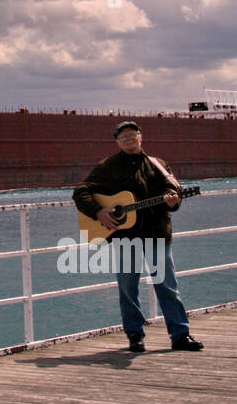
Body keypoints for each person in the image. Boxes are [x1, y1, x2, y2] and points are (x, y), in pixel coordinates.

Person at [71, 121, 204, 353]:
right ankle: (135, 336)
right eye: (124, 136)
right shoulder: (107, 167)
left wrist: (173, 200)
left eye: (133, 134)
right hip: (125, 236)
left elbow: (174, 192)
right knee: (127, 287)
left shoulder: (158, 165)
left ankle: (180, 335)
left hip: (157, 233)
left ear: (141, 137)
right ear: (117, 142)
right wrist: (99, 211)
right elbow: (80, 191)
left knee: (167, 285)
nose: (129, 139)